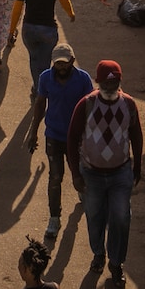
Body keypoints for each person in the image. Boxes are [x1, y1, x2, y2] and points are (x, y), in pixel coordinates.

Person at [66, 58, 144, 288]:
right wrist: (75, 174)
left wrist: (137, 166)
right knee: (95, 217)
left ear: (120, 82)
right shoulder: (86, 104)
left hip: (121, 173)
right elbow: (71, 139)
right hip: (91, 173)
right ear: (98, 83)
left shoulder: (128, 105)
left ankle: (116, 263)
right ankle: (98, 253)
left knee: (121, 217)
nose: (110, 89)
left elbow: (137, 135)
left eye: (114, 83)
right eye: (106, 84)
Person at [28, 41, 91, 244]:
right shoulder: (46, 77)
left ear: (72, 61)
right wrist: (33, 132)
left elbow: (90, 107)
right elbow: (40, 104)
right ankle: (54, 218)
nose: (61, 67)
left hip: (77, 137)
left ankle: (82, 192)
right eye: (58, 64)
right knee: (55, 178)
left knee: (78, 172)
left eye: (64, 63)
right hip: (54, 135)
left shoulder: (83, 79)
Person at [9, 0, 74, 83]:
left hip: (29, 29)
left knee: (34, 58)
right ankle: (43, 88)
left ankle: (37, 87)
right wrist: (71, 14)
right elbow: (65, 1)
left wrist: (11, 30)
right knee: (45, 62)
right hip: (48, 30)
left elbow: (16, 10)